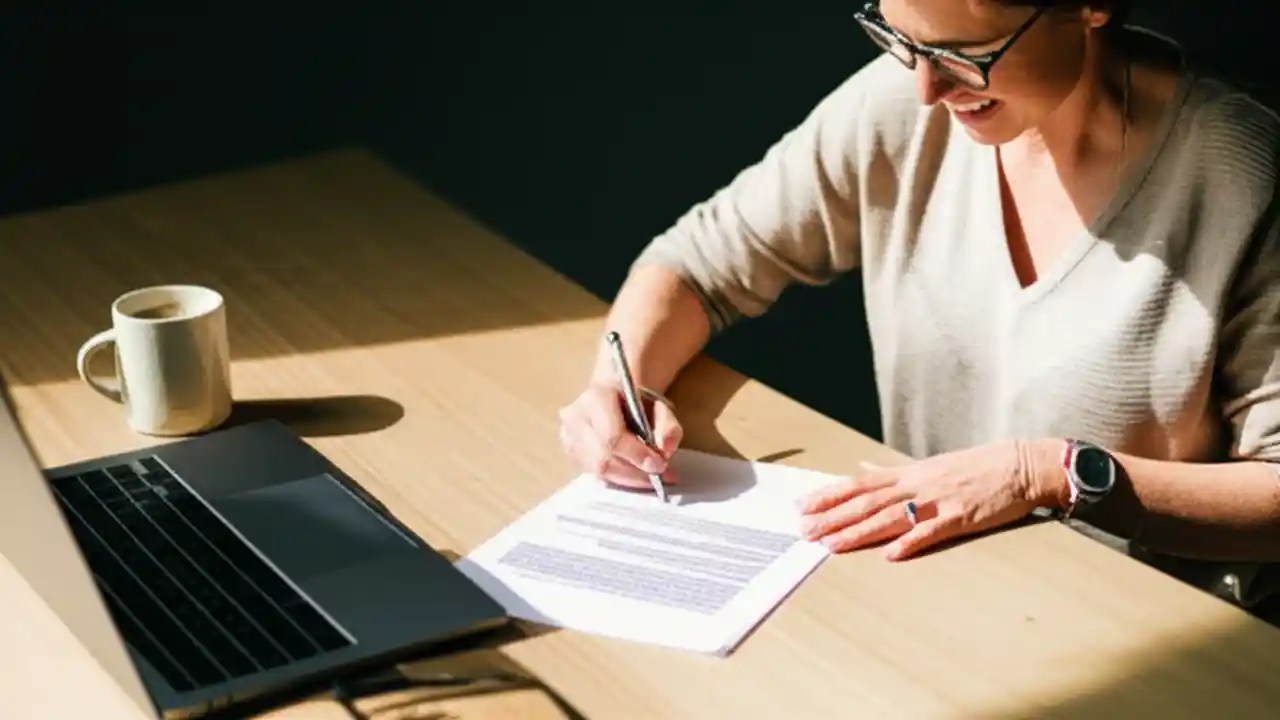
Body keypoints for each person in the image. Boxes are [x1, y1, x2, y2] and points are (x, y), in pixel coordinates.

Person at [556, 0, 1280, 613]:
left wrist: (1052, 475)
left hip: (1154, 635)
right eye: (899, 37)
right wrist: (622, 382)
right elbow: (696, 265)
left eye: (968, 53)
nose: (928, 88)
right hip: (935, 595)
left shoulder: (1242, 177)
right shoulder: (901, 102)